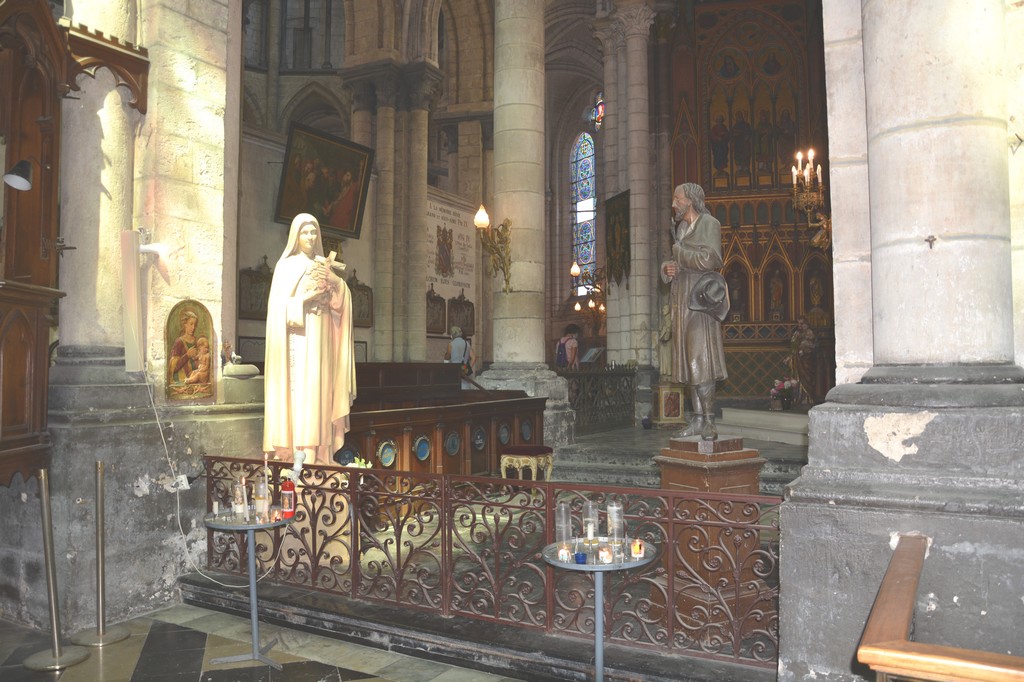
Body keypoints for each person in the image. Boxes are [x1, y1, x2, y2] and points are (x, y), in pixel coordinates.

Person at [263, 213, 357, 465]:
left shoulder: (322, 264)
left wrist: (335, 282)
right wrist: (307, 297)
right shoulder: (286, 266)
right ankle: (299, 455)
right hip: (299, 340)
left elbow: (341, 303)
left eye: (314, 232)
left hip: (323, 336)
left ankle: (320, 454)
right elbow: (278, 311)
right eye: (305, 232)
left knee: (322, 393)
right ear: (295, 236)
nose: (310, 237)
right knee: (304, 394)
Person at [660, 183, 728, 440]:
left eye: (677, 199)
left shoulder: (709, 224)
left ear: (690, 200)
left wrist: (678, 252)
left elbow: (710, 260)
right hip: (681, 302)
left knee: (702, 359)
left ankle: (709, 420)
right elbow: (675, 263)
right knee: (689, 362)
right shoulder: (680, 228)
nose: (674, 204)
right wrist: (667, 269)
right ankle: (697, 420)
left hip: (700, 303)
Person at [790, 316, 819, 404]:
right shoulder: (796, 333)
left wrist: (805, 350)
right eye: (798, 323)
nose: (799, 325)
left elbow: (813, 345)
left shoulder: (810, 333)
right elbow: (793, 345)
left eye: (802, 323)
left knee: (807, 378)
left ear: (806, 324)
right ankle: (799, 397)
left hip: (807, 360)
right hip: (798, 359)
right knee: (798, 378)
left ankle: (808, 397)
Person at [168, 310, 200, 385]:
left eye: (194, 325)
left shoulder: (195, 340)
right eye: (191, 324)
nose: (193, 327)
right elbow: (173, 367)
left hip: (194, 377)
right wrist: (187, 355)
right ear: (185, 324)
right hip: (182, 379)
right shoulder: (179, 342)